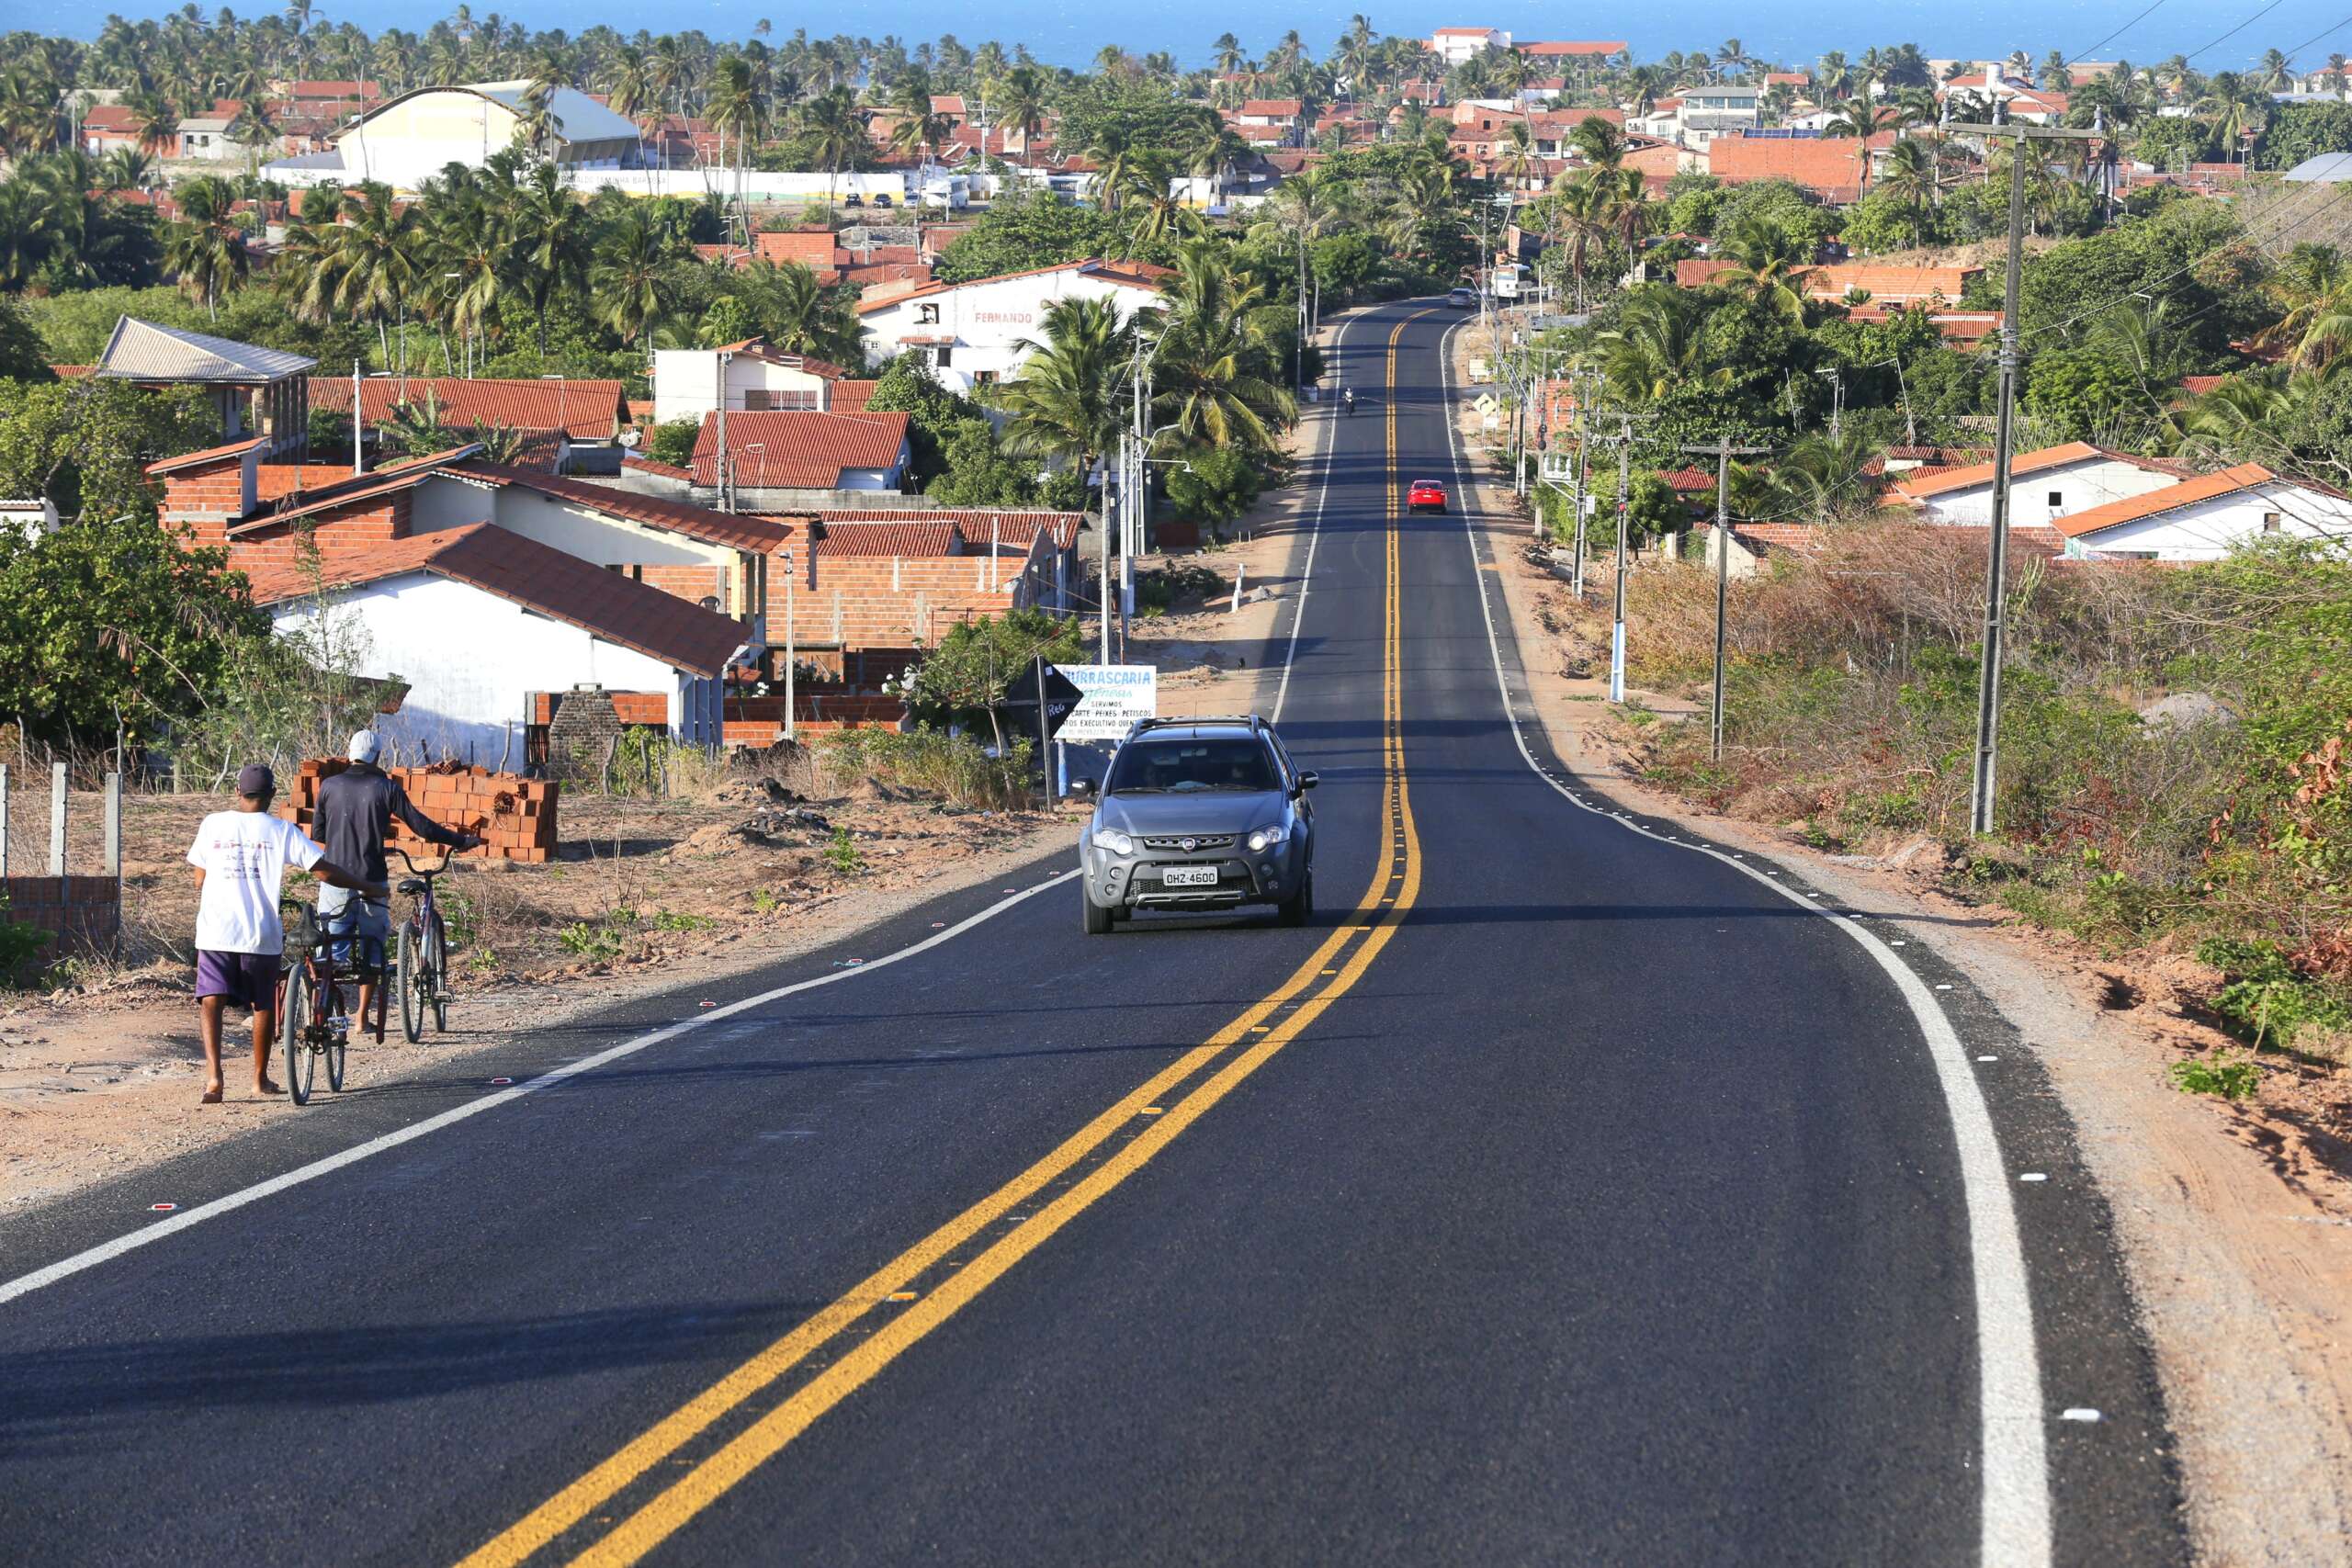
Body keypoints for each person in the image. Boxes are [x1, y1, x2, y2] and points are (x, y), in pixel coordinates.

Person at [187, 764, 383, 1104]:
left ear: (237, 791)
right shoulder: (281, 830)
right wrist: (366, 886)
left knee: (211, 1000)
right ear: (272, 796)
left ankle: (214, 1078)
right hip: (259, 934)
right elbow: (323, 871)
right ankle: (259, 1079)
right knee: (262, 1004)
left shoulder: (212, 824)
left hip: (215, 930)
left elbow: (199, 880)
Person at [311, 731, 481, 1034]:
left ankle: (325, 1015)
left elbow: (320, 834)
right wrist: (459, 840)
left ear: (350, 754)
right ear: (378, 756)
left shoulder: (328, 786)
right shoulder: (386, 788)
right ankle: (362, 1018)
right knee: (373, 951)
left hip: (334, 880)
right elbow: (421, 826)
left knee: (332, 954)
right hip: (371, 880)